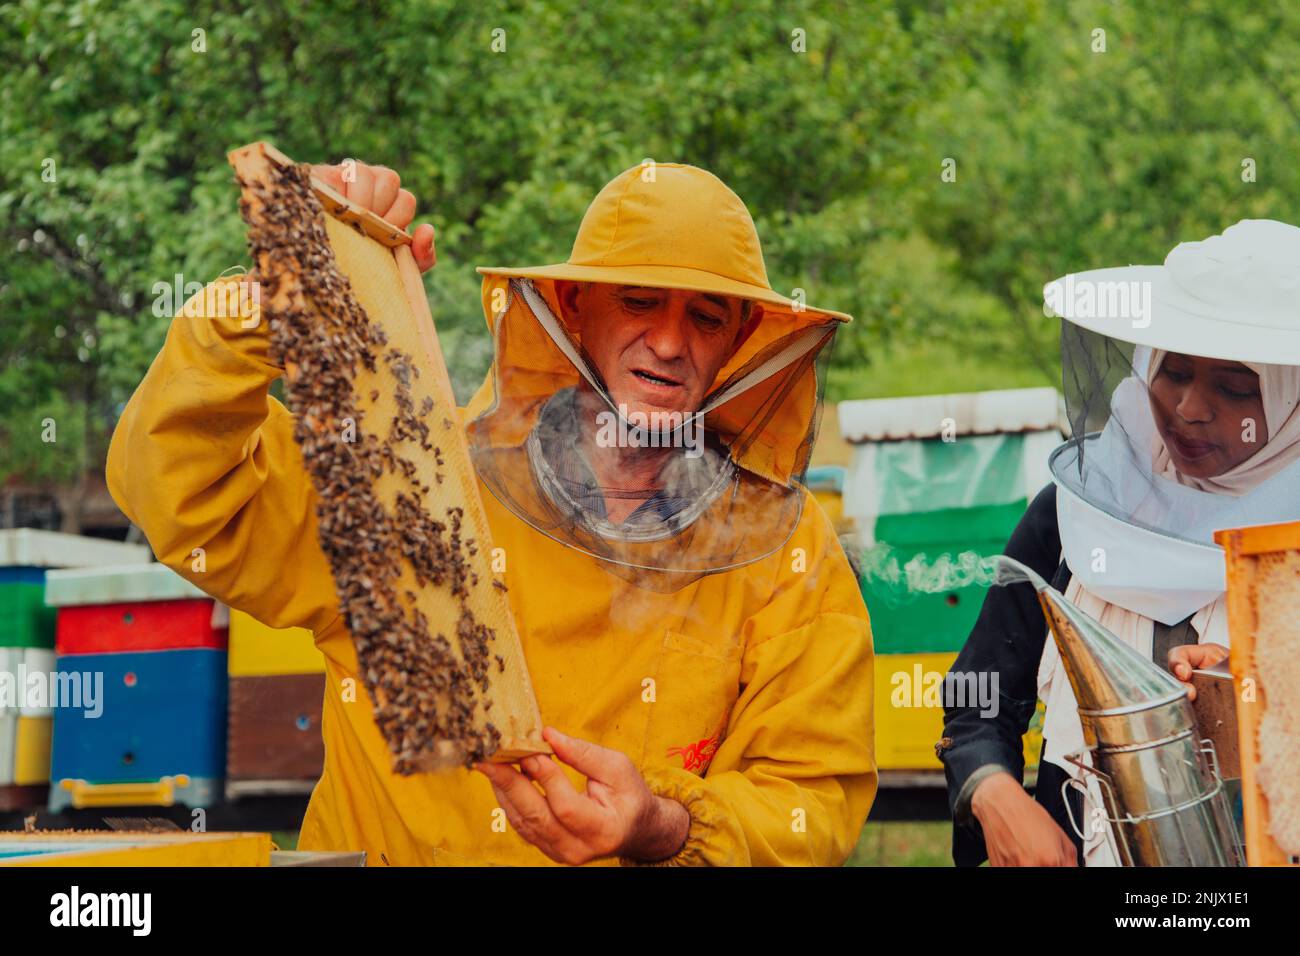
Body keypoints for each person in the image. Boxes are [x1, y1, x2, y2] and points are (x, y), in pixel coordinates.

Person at [106, 159, 876, 866]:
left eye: (707, 317)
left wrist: (663, 824)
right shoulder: (413, 482)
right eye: (639, 301)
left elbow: (812, 802)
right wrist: (269, 302)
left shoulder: (786, 550)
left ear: (742, 338)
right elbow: (186, 499)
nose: (670, 342)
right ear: (575, 307)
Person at [938, 218, 1300, 866]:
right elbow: (980, 695)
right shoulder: (1077, 512)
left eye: (1235, 387)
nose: (1189, 408)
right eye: (1173, 371)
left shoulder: (1288, 552)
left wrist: (1262, 688)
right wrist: (992, 791)